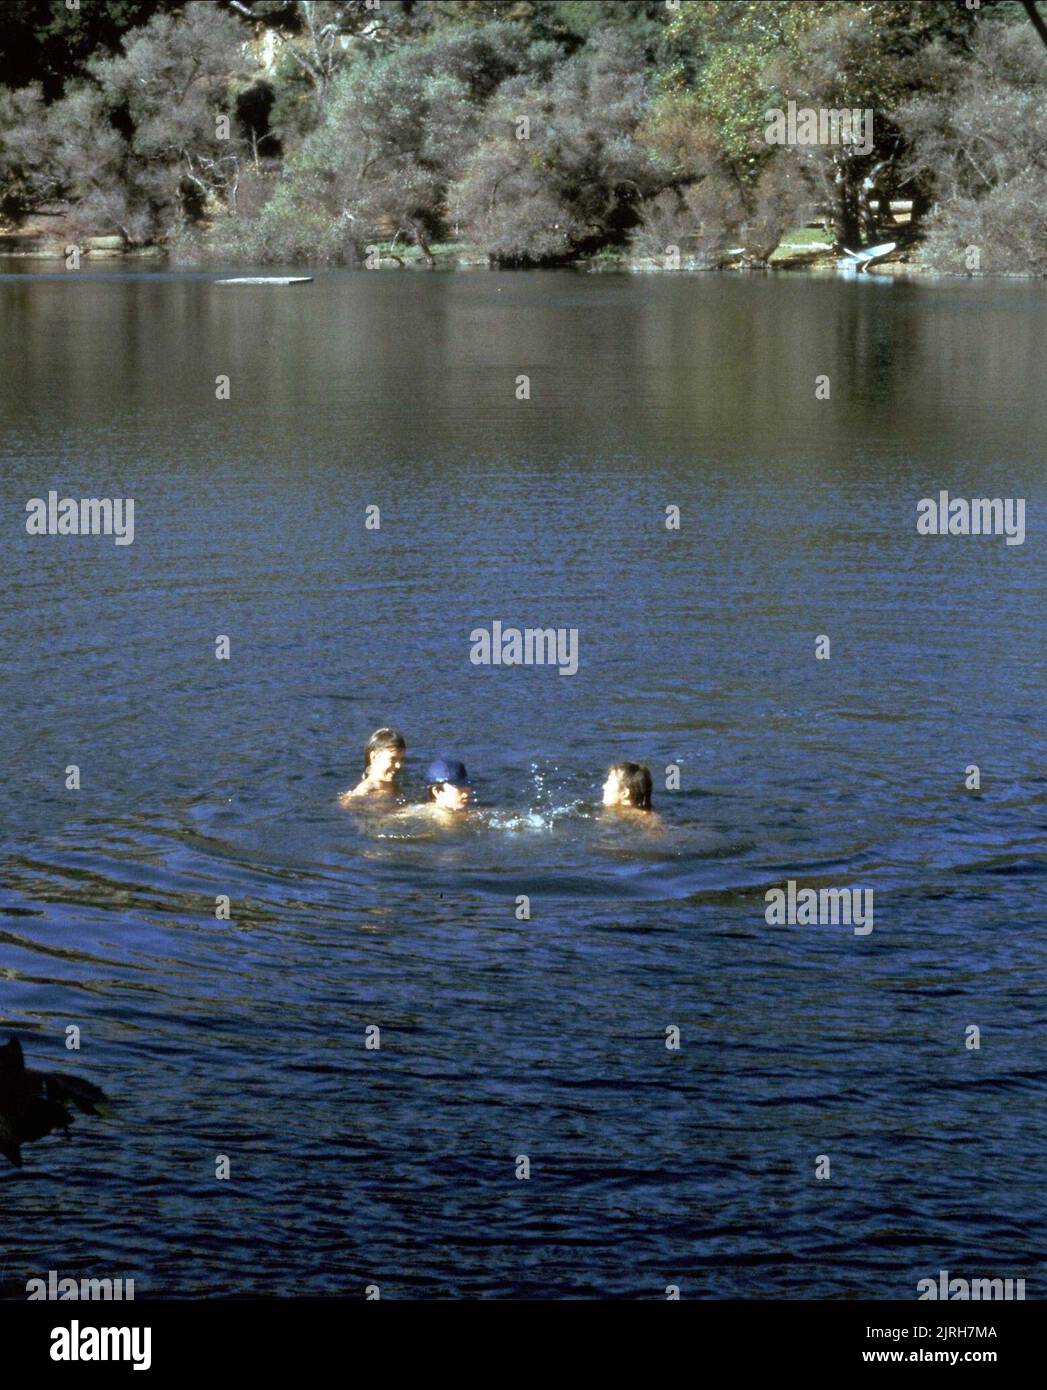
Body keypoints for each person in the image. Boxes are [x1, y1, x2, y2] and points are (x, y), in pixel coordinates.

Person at [339, 727, 406, 804]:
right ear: (374, 757)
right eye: (392, 759)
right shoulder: (367, 788)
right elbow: (345, 803)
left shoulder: (395, 783)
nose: (398, 765)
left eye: (401, 759)